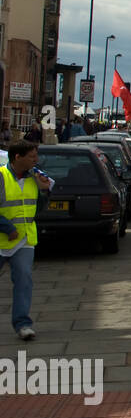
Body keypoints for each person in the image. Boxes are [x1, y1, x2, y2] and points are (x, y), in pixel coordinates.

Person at [0, 140, 52, 341]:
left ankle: (23, 324)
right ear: (17, 157)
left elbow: (38, 209)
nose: (36, 160)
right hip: (3, 239)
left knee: (23, 280)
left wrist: (45, 191)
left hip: (24, 240)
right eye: (32, 156)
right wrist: (7, 227)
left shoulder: (34, 177)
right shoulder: (2, 176)